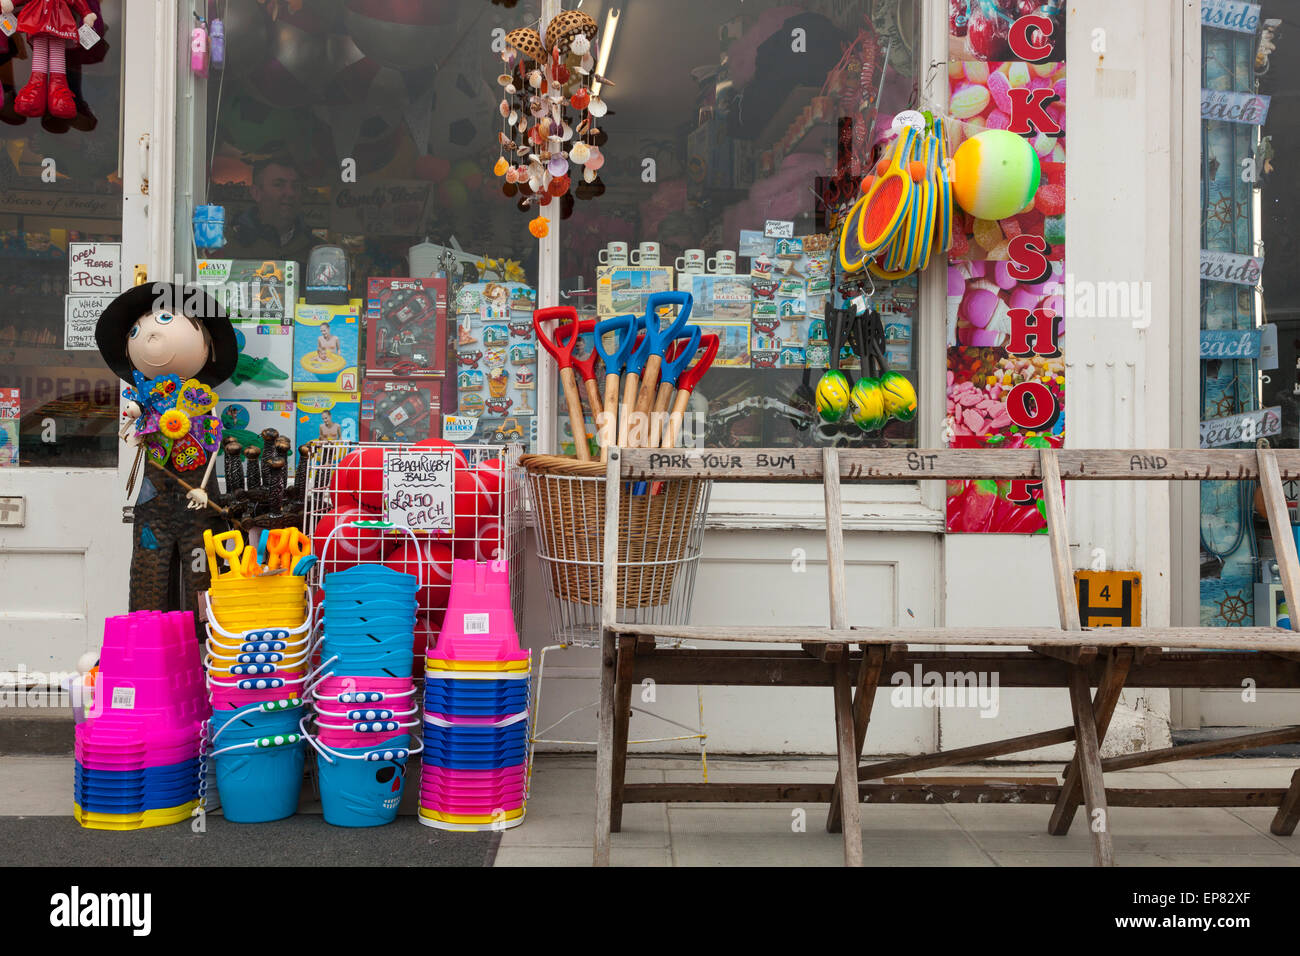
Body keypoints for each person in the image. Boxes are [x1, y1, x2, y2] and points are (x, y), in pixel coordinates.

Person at [94, 282, 236, 628]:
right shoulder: (148, 399)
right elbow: (133, 427)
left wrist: (203, 486)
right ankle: (143, 630)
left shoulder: (200, 404)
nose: (151, 337)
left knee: (202, 563)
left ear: (206, 344)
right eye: (139, 329)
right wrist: (130, 421)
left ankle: (206, 639)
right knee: (148, 560)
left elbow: (214, 443)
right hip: (153, 496)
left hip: (195, 496)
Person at [222, 154, 316, 263]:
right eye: (279, 185)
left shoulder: (318, 251)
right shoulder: (226, 245)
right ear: (256, 193)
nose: (290, 193)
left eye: (295, 186)